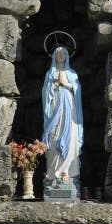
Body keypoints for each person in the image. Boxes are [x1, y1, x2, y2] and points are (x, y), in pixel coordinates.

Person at [42, 45, 83, 197]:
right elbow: (45, 93)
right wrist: (53, 85)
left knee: (71, 138)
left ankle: (69, 174)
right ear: (54, 56)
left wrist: (66, 84)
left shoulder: (72, 73)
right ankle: (53, 174)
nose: (60, 56)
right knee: (53, 138)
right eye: (57, 53)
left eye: (63, 53)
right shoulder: (50, 73)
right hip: (54, 110)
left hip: (69, 111)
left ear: (67, 56)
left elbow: (77, 90)